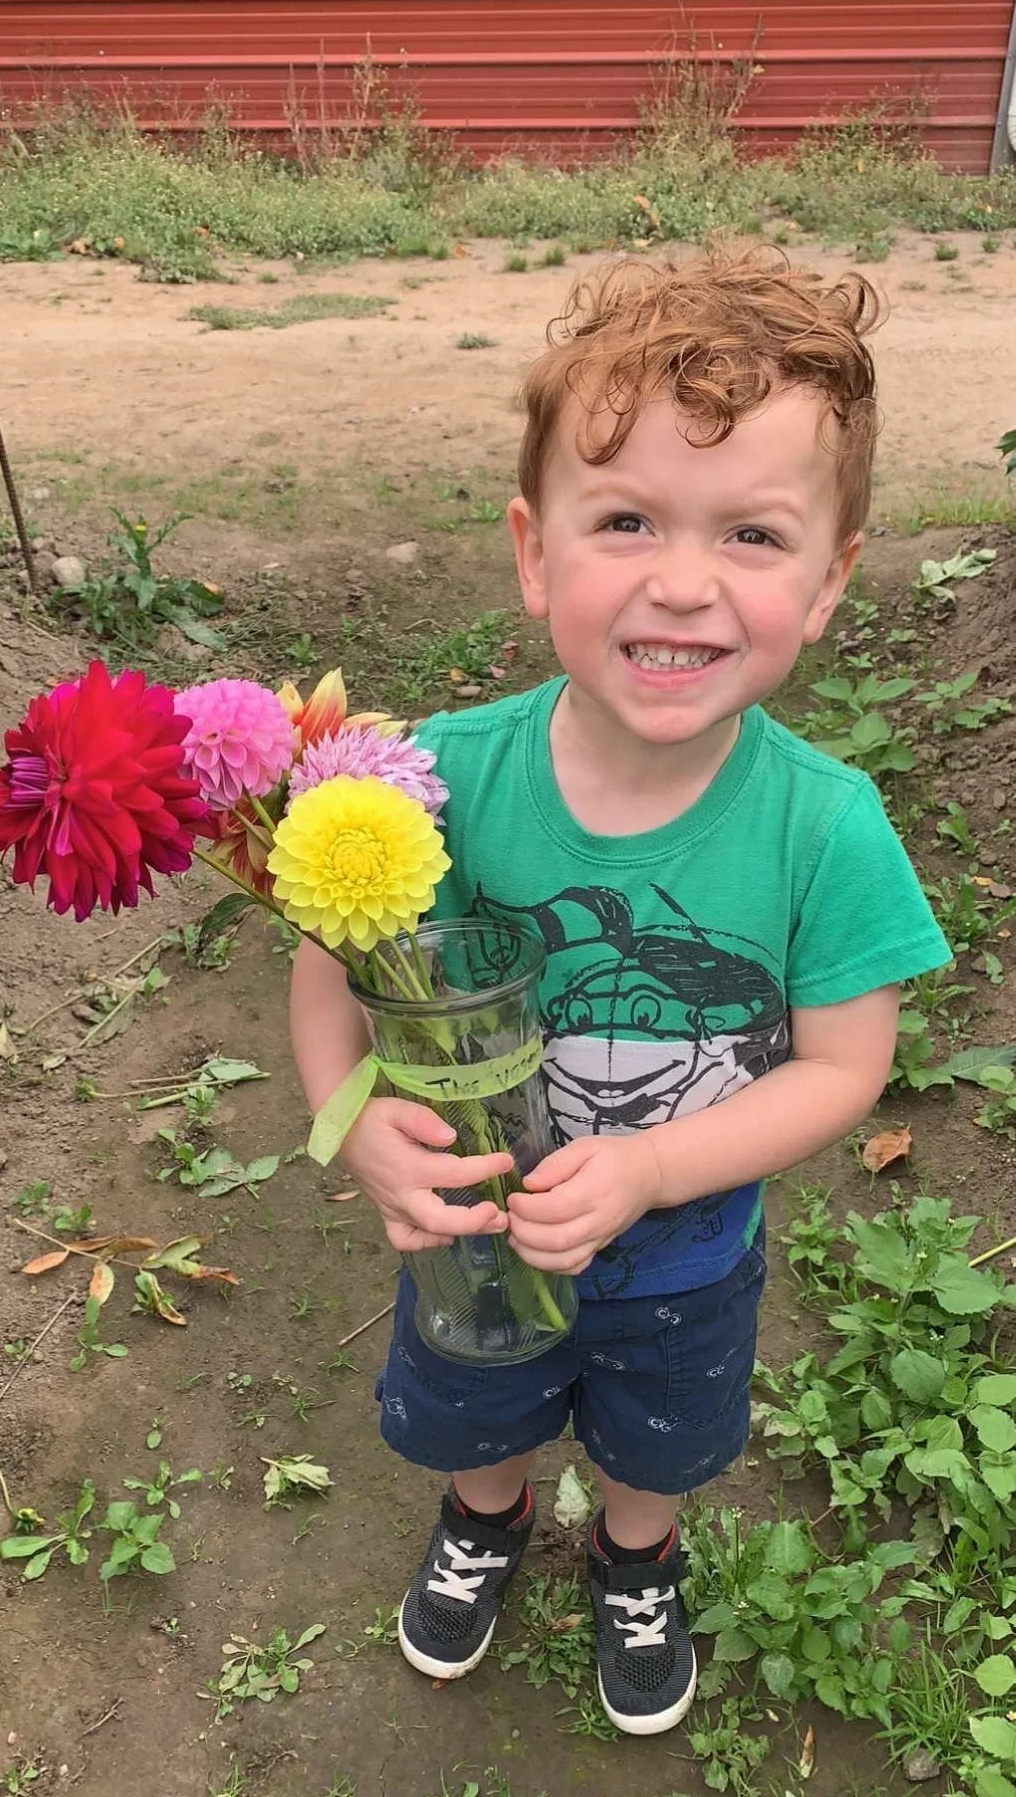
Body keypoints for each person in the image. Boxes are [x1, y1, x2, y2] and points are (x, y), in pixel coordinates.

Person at [288, 247, 950, 1737]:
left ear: (830, 580)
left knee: (662, 1438)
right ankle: (488, 1518)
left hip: (684, 1263)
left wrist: (649, 1164)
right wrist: (350, 1125)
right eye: (628, 518)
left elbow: (841, 1070)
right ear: (534, 552)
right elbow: (326, 967)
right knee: (473, 1410)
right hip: (472, 1249)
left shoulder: (823, 828)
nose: (680, 580)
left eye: (753, 534)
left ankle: (632, 1550)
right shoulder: (436, 779)